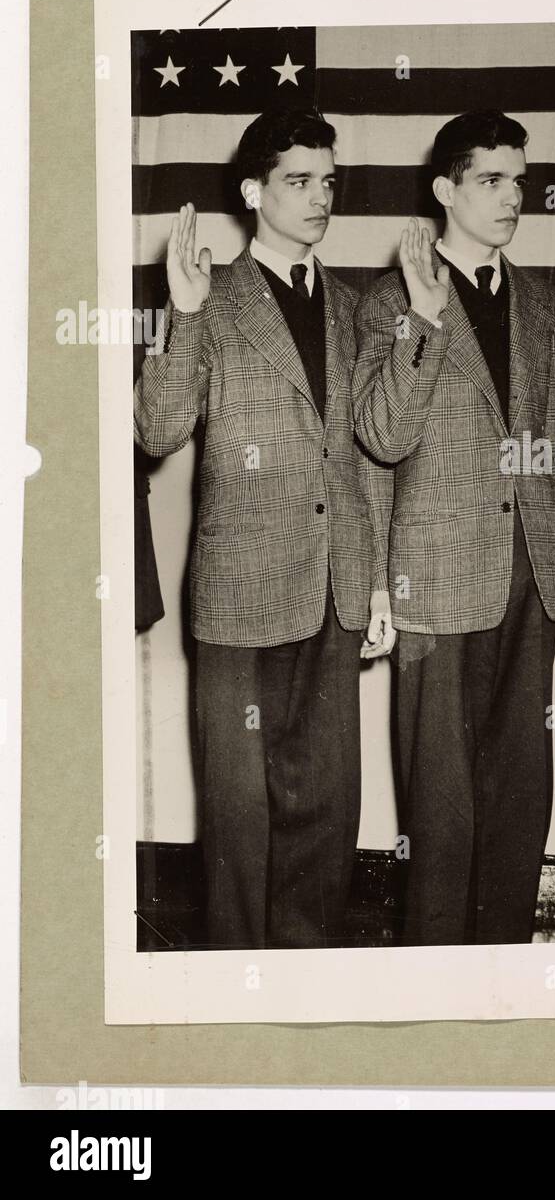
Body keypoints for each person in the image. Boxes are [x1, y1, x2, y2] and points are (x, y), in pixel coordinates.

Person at [134, 106, 394, 950]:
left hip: (335, 588)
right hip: (241, 592)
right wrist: (181, 315)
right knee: (239, 814)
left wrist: (380, 581)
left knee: (326, 806)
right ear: (252, 192)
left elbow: (370, 458)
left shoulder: (358, 308)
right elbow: (157, 430)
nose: (320, 198)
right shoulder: (211, 297)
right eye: (298, 181)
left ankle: (306, 984)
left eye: (328, 181)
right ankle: (234, 994)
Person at [353, 110, 555, 946]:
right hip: (433, 573)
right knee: (440, 795)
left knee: (521, 785)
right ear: (445, 190)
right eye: (492, 181)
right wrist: (378, 584)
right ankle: (434, 972)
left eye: (519, 182)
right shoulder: (387, 303)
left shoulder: (544, 307)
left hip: (533, 571)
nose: (512, 199)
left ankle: (504, 961)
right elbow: (381, 440)